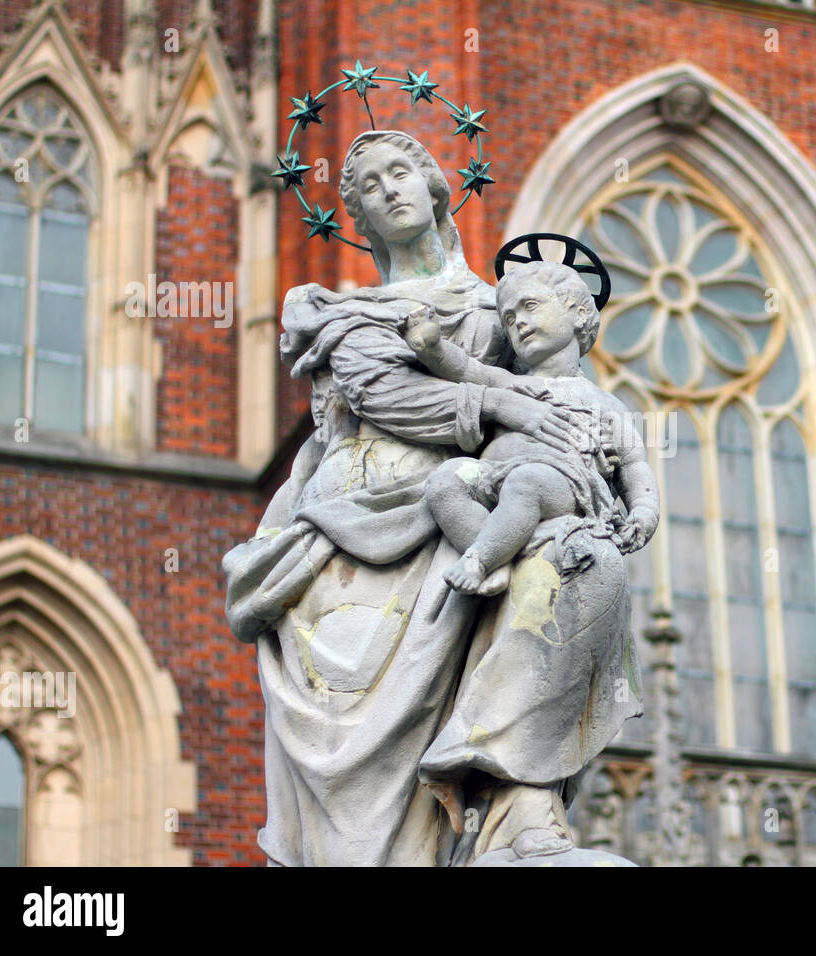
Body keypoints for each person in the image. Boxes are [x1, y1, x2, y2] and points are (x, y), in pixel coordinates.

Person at [223, 130, 644, 865]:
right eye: (369, 188)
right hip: (354, 523)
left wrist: (604, 444)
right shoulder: (347, 316)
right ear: (358, 219)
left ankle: (520, 812)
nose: (390, 190)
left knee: (580, 564)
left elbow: (558, 385)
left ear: (437, 186)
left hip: (475, 504)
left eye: (402, 172)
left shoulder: (503, 307)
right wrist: (502, 410)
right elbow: (386, 395)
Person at [405, 260, 659, 598]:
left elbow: (635, 468)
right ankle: (498, 557)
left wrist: (643, 514)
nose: (519, 322)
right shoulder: (512, 383)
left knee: (527, 483)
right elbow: (466, 369)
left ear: (578, 314)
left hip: (564, 482)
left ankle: (480, 561)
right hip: (496, 474)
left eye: (530, 306)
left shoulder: (605, 404)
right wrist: (432, 348)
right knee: (445, 481)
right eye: (509, 319)